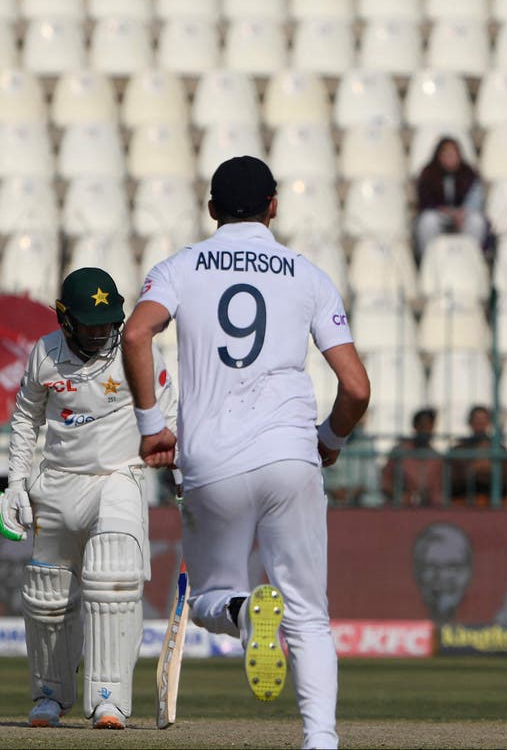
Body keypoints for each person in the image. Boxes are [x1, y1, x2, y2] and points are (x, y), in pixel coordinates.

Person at [121, 156, 371, 750]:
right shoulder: (308, 275)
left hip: (211, 461)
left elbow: (134, 334)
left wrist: (152, 427)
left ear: (211, 209)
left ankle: (240, 611)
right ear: (274, 206)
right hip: (290, 456)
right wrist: (330, 439)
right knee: (308, 612)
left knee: (210, 597)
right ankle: (321, 739)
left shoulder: (180, 267)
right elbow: (357, 388)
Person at [1, 267, 177, 729]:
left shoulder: (137, 351)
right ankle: (49, 695)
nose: (101, 334)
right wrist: (16, 484)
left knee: (111, 578)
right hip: (58, 480)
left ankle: (108, 699)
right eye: (90, 325)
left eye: (108, 324)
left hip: (119, 476)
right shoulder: (45, 354)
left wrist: (182, 471)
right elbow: (25, 420)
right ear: (65, 319)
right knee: (47, 595)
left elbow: (170, 412)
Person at [414, 136, 488, 258]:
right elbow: (425, 203)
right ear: (439, 156)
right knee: (428, 221)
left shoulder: (469, 173)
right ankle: (429, 259)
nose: (450, 158)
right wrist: (448, 212)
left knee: (477, 221)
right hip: (439, 215)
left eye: (453, 154)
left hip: (462, 215)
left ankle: (472, 259)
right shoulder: (428, 174)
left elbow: (475, 200)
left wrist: (461, 213)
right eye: (446, 154)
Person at [448, 406, 507, 507]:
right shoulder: (458, 449)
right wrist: (472, 470)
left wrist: (492, 470)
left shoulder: (499, 449)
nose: (480, 423)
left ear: (488, 422)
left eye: (483, 420)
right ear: (470, 422)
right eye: (477, 420)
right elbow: (451, 483)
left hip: (494, 500)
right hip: (465, 499)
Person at [381, 407, 443, 507]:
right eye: (422, 426)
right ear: (415, 426)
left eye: (429, 427)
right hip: (398, 508)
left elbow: (437, 492)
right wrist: (399, 496)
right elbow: (385, 482)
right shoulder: (399, 451)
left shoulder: (437, 458)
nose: (425, 431)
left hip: (427, 510)